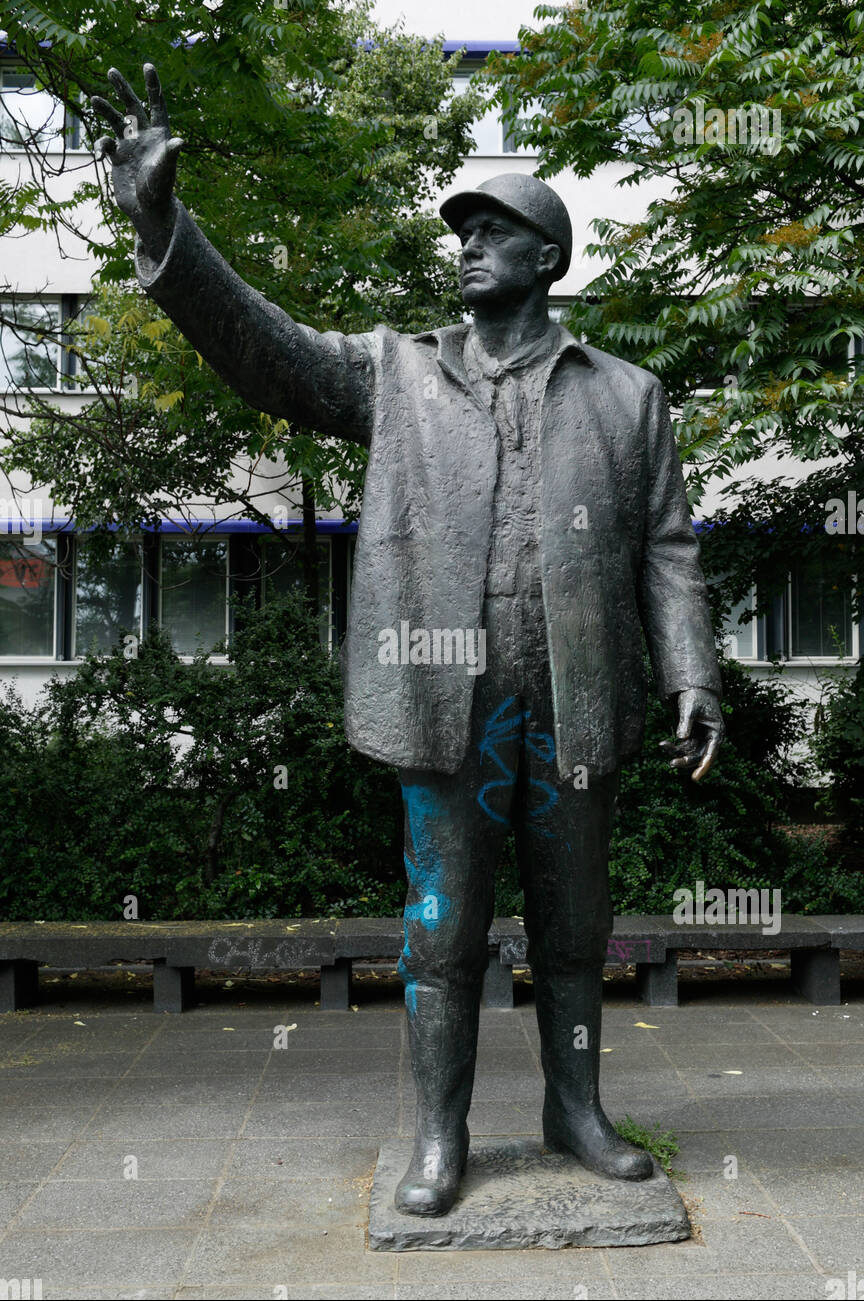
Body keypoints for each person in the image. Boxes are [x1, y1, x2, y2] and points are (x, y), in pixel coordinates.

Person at [94, 65, 725, 1217]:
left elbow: (669, 551)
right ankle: (439, 1136)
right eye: (464, 232)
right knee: (443, 929)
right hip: (447, 708)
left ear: (549, 259)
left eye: (497, 231)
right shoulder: (396, 372)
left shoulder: (628, 399)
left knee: (576, 926)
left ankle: (574, 1111)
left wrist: (692, 672)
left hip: (575, 703)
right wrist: (166, 227)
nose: (471, 245)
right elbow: (267, 348)